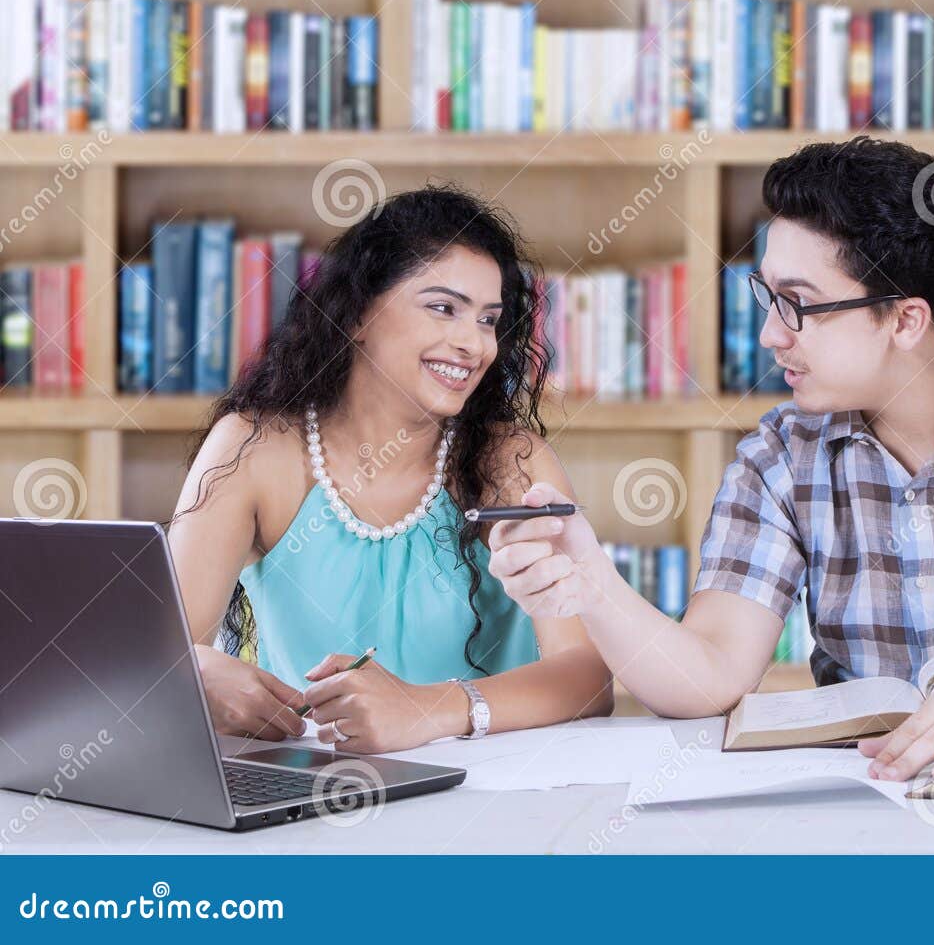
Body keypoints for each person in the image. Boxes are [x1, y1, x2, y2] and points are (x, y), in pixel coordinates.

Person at [488, 136, 934, 782]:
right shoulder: (779, 457)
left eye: (798, 305)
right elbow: (710, 676)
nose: (767, 334)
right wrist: (593, 582)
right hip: (866, 796)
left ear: (905, 320)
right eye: (767, 297)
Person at [170, 186, 611, 754]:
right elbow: (159, 656)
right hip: (309, 798)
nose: (473, 344)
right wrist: (196, 672)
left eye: (488, 320)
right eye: (443, 307)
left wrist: (426, 711)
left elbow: (588, 678)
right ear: (356, 313)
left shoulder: (511, 461)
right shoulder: (253, 449)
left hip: (489, 796)